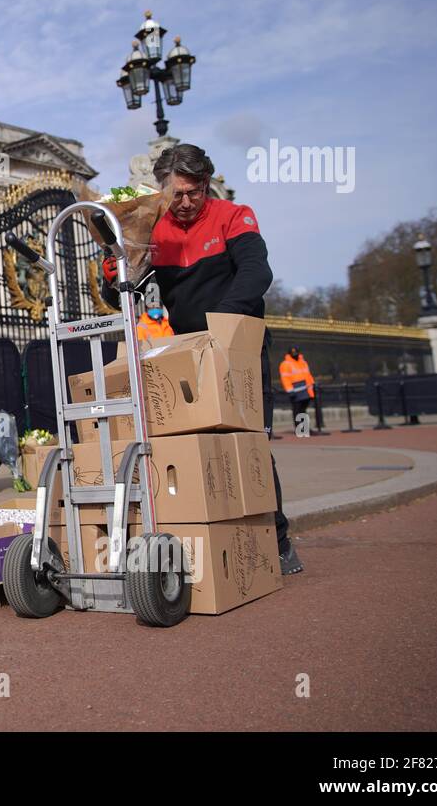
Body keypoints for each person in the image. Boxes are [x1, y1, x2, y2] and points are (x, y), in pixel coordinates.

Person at [106, 143, 304, 574]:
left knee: (250, 442)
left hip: (238, 343)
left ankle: (279, 539)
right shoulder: (155, 231)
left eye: (195, 192)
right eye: (176, 194)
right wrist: (119, 263)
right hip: (188, 350)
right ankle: (213, 536)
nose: (186, 202)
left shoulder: (234, 216)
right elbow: (119, 295)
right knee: (196, 445)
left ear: (207, 185)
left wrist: (225, 321)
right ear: (162, 190)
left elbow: (257, 272)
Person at [279, 347, 315, 435]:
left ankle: (305, 429)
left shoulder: (303, 362)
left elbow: (308, 375)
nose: (294, 354)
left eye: (296, 352)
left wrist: (312, 387)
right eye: (292, 352)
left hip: (305, 391)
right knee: (297, 410)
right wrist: (290, 391)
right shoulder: (285, 364)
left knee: (303, 410)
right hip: (295, 391)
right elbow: (285, 378)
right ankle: (299, 429)